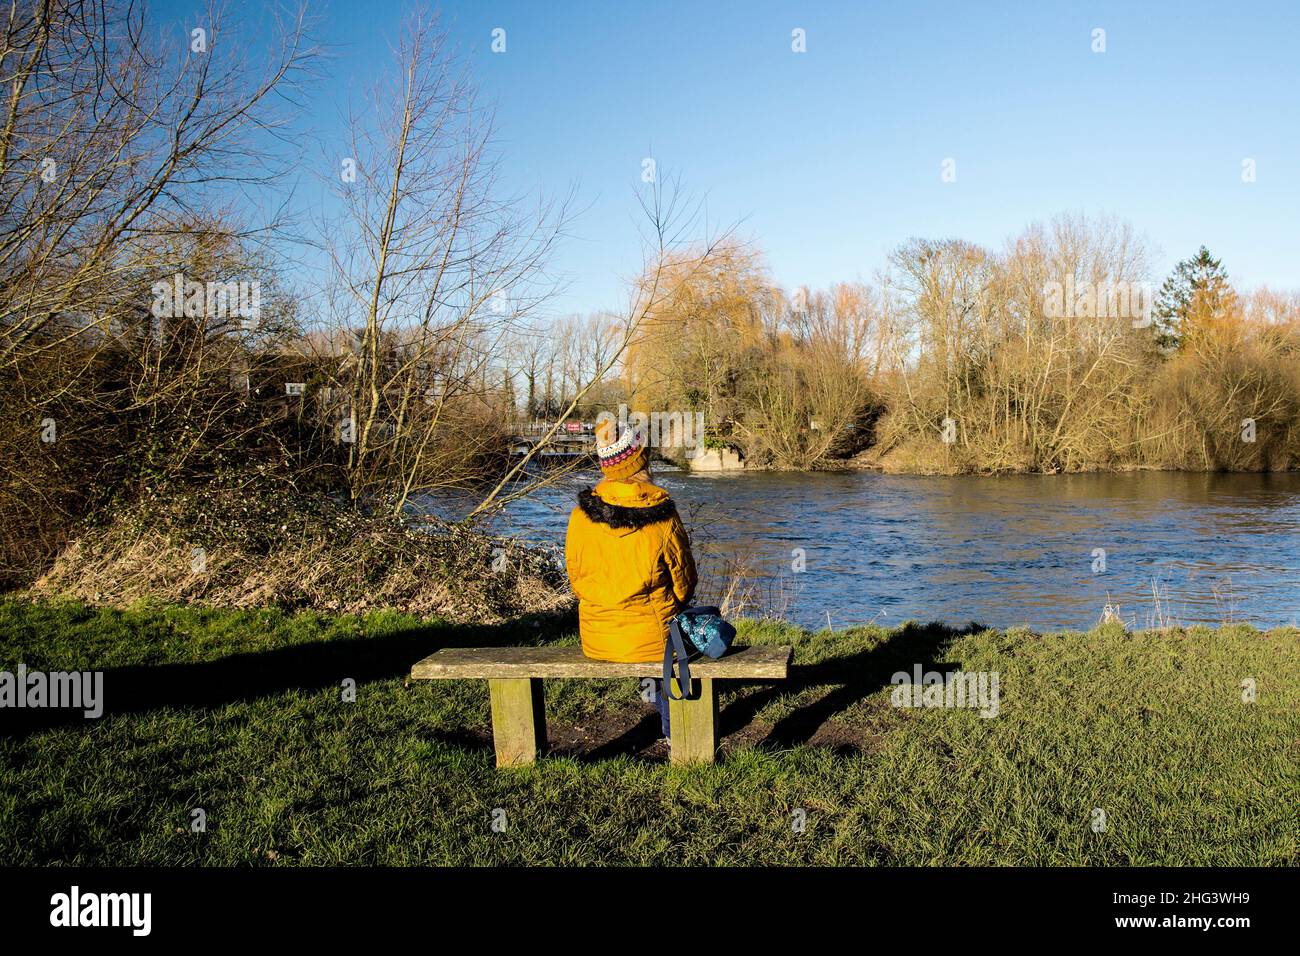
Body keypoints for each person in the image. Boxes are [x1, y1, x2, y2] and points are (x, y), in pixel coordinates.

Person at [565, 419, 697, 739]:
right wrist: (673, 604)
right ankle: (673, 734)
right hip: (651, 637)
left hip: (597, 637)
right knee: (674, 639)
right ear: (639, 460)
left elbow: (575, 577)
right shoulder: (660, 509)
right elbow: (685, 580)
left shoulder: (581, 514)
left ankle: (653, 701)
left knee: (654, 647)